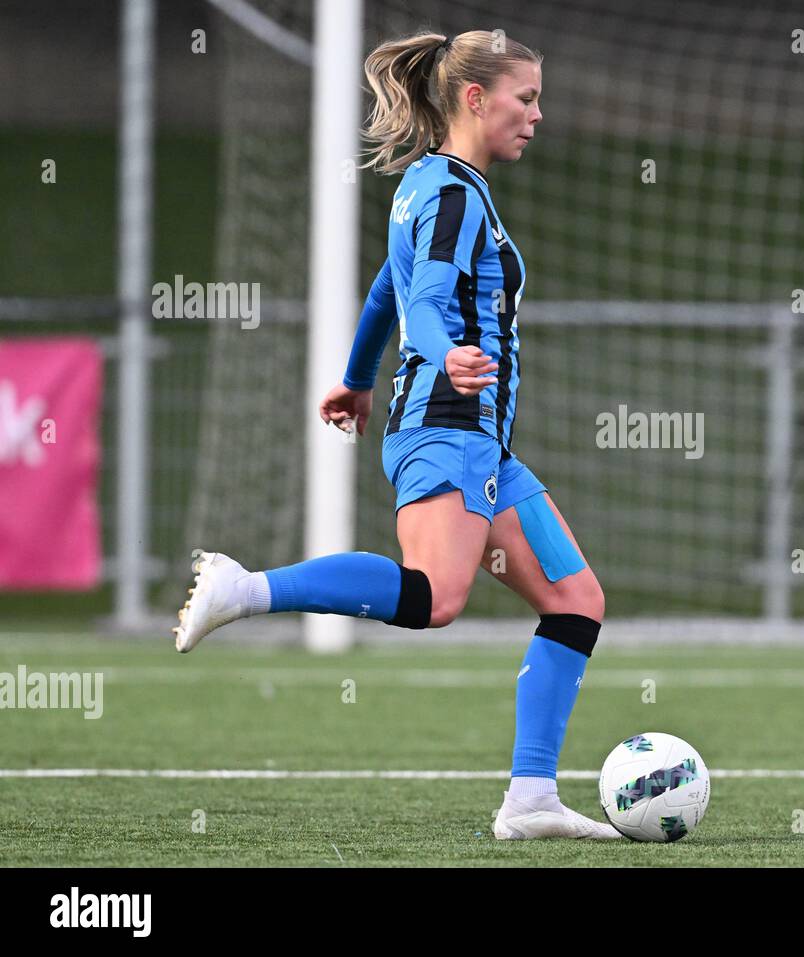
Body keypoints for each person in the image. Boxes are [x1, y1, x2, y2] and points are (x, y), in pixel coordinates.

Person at [173, 29, 617, 841]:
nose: (538, 114)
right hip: (448, 427)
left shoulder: (429, 186)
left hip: (477, 443)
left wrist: (356, 375)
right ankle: (246, 588)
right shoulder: (451, 195)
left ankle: (531, 798)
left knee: (576, 600)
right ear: (476, 99)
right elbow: (423, 301)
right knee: (436, 597)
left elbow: (387, 285)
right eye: (527, 98)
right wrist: (445, 352)